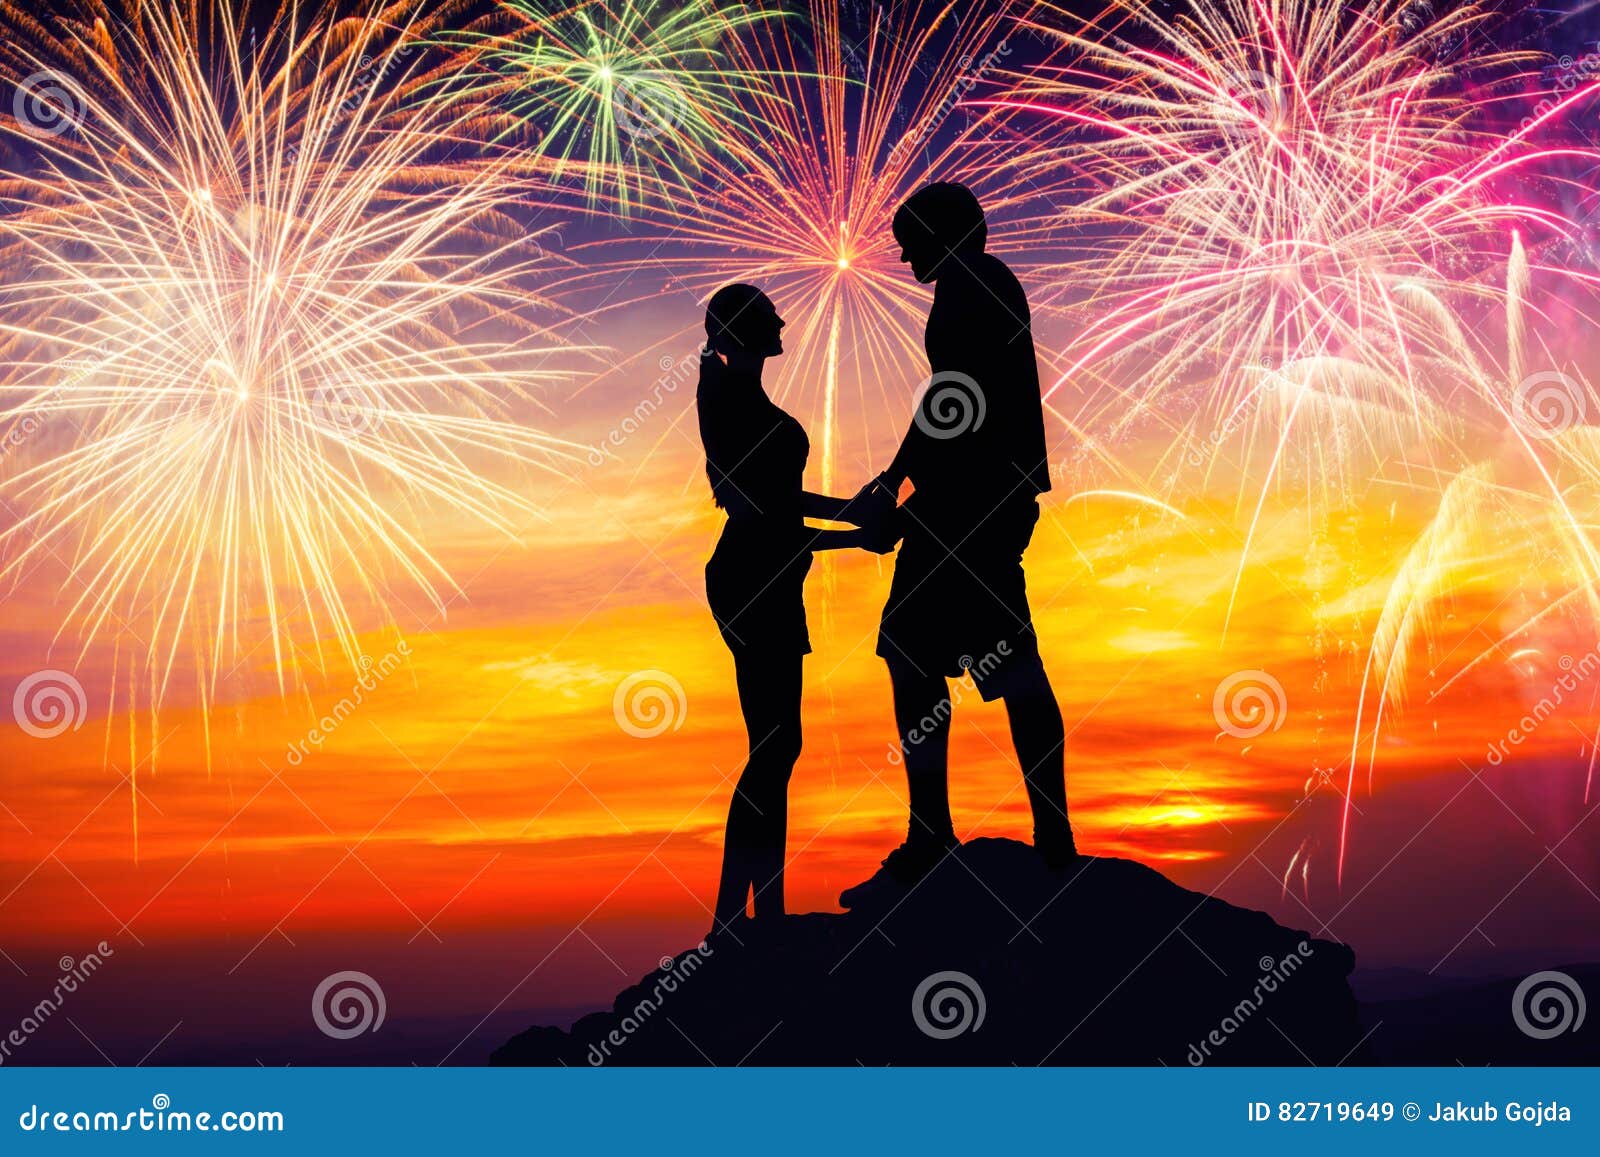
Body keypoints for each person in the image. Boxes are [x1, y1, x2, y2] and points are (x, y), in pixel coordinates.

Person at [840, 182, 1076, 909]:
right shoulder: (981, 282)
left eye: (910, 237)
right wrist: (905, 487)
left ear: (946, 231)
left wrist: (895, 482)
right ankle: (1045, 835)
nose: (903, 251)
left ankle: (936, 833)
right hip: (979, 499)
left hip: (968, 504)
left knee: (921, 655)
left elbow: (954, 394)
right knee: (999, 659)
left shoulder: (972, 284)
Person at [696, 283, 872, 937]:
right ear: (745, 329)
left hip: (769, 575)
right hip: (753, 577)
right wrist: (858, 531)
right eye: (768, 317)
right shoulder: (733, 400)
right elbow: (769, 517)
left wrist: (856, 516)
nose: (782, 322)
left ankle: (754, 911)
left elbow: (783, 506)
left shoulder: (737, 396)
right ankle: (738, 917)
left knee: (778, 744)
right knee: (774, 745)